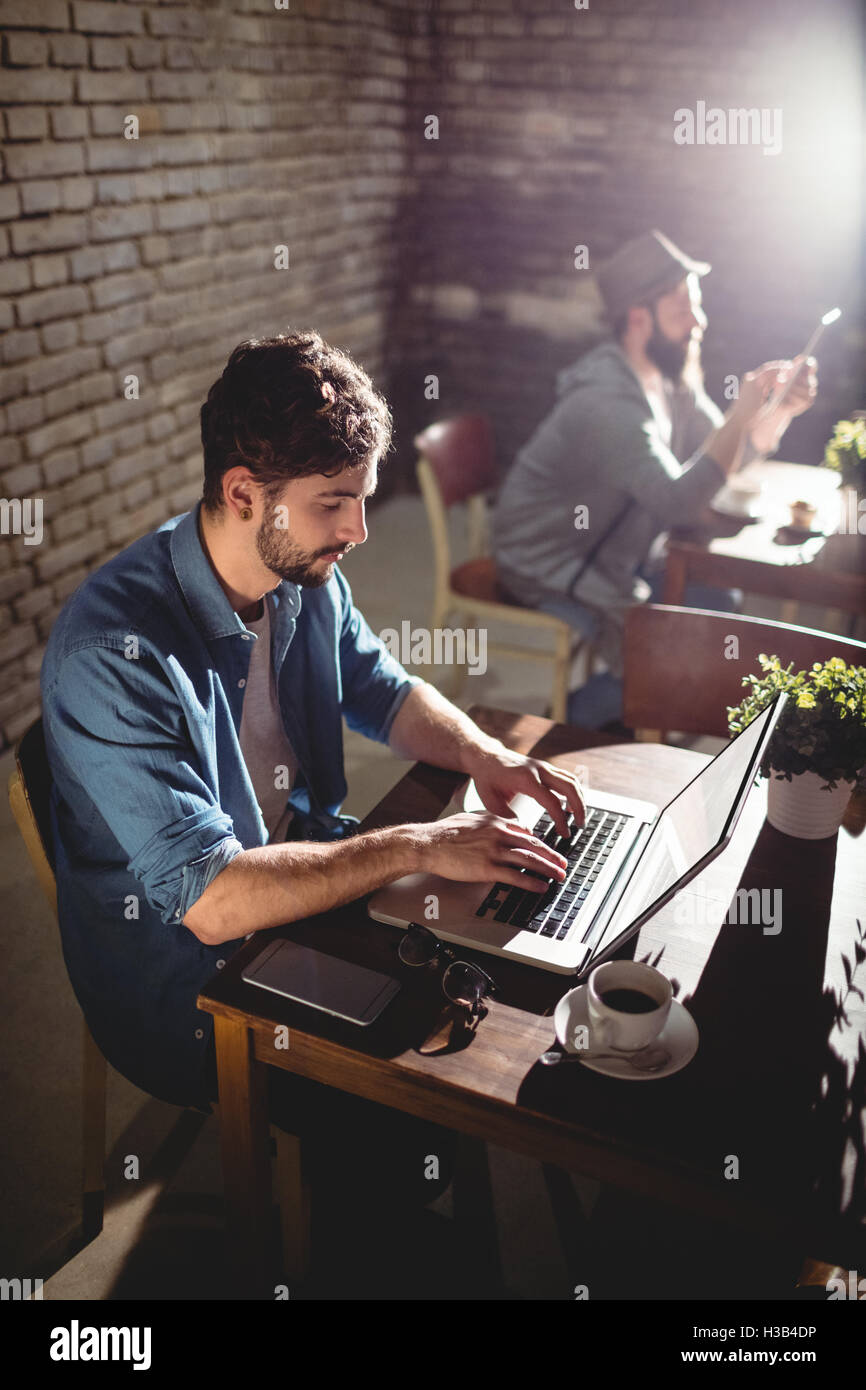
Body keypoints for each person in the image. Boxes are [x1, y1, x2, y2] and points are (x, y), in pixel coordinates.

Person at [40, 330, 585, 1222]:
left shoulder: (303, 572)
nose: (361, 531)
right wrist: (421, 842)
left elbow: (381, 686)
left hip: (291, 877)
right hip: (180, 970)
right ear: (244, 493)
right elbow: (212, 899)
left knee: (501, 981)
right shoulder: (112, 648)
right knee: (412, 1092)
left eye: (363, 499)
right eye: (336, 503)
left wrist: (483, 755)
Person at [493, 229, 817, 730]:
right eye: (684, 308)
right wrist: (739, 414)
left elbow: (724, 454)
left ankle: (654, 711)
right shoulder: (608, 401)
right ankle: (575, 723)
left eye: (698, 306)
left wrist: (778, 412)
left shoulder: (669, 379)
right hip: (549, 556)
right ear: (638, 318)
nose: (700, 322)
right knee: (663, 647)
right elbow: (678, 503)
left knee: (717, 601)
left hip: (614, 551)